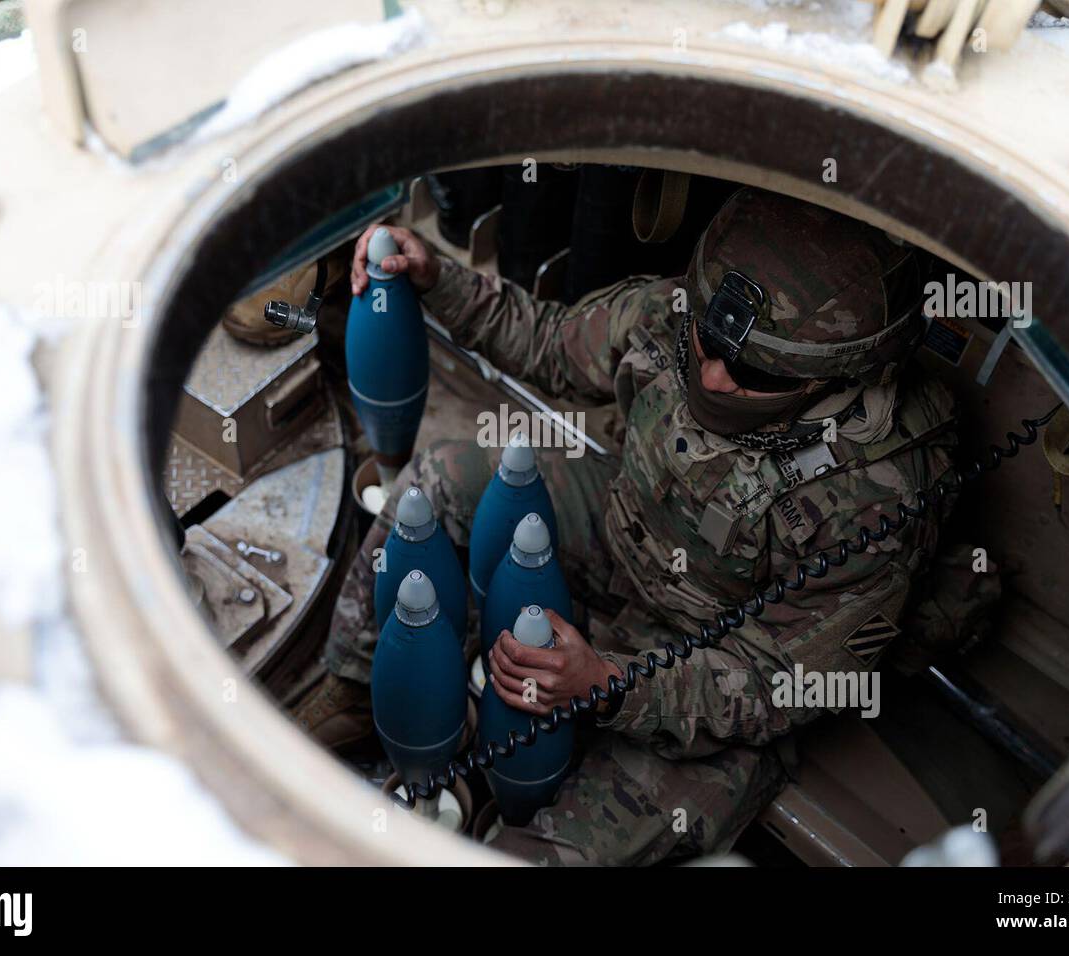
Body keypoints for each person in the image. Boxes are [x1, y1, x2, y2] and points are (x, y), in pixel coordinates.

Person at [293, 187, 958, 865]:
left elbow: (771, 689)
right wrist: (439, 278)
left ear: (834, 379)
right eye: (708, 340)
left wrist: (608, 684)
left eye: (753, 370)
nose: (714, 375)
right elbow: (551, 342)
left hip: (715, 683)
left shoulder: (878, 497)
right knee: (437, 486)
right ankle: (355, 682)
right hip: (621, 537)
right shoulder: (671, 315)